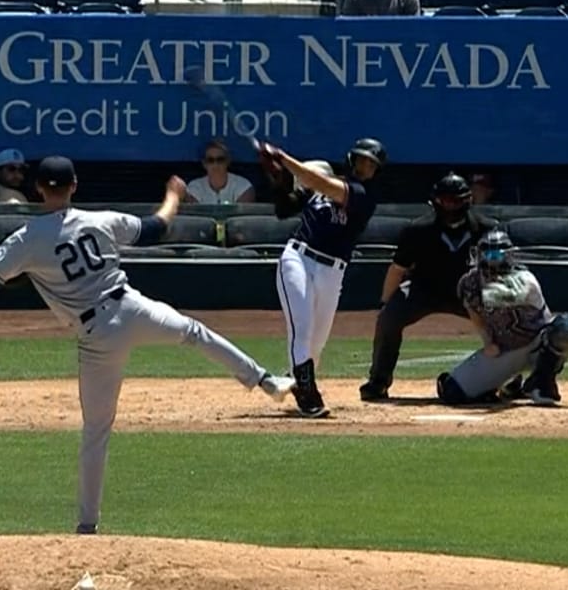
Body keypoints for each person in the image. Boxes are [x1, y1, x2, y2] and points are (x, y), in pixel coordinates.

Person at [0, 155, 296, 535]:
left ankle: (87, 525)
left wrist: (31, 270)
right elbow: (156, 227)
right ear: (75, 185)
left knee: (96, 430)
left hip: (96, 337)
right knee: (195, 332)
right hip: (133, 307)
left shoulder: (27, 238)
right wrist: (173, 194)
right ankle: (264, 380)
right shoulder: (98, 220)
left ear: (37, 188)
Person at [257, 137, 385, 418]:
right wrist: (277, 177)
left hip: (333, 271)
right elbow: (285, 208)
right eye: (362, 160)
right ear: (351, 159)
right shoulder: (319, 187)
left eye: (371, 164)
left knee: (316, 344)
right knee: (301, 329)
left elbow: (323, 184)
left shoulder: (362, 195)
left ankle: (295, 378)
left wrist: (283, 159)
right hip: (298, 258)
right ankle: (307, 395)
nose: (365, 167)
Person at [360, 172, 496, 402]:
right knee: (389, 318)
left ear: (467, 201)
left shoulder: (486, 229)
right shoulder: (418, 230)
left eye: (456, 201)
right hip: (423, 288)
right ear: (435, 202)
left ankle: (507, 379)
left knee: (501, 320)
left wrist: (499, 303)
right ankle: (378, 381)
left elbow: (500, 271)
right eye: (446, 201)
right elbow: (398, 268)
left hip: (469, 291)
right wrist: (385, 304)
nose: (451, 207)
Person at [437, 230, 568, 407]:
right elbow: (475, 315)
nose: (493, 260)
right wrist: (488, 342)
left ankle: (541, 382)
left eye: (498, 254)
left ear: (510, 255)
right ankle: (510, 384)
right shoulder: (470, 282)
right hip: (506, 348)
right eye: (489, 254)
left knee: (565, 328)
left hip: (538, 344)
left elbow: (498, 296)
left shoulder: (525, 280)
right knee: (452, 392)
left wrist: (468, 289)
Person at [184, 139, 255, 205]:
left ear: (227, 161)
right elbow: (197, 216)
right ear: (204, 164)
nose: (215, 164)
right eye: (210, 160)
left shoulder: (243, 186)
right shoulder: (195, 186)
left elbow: (240, 216)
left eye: (220, 160)